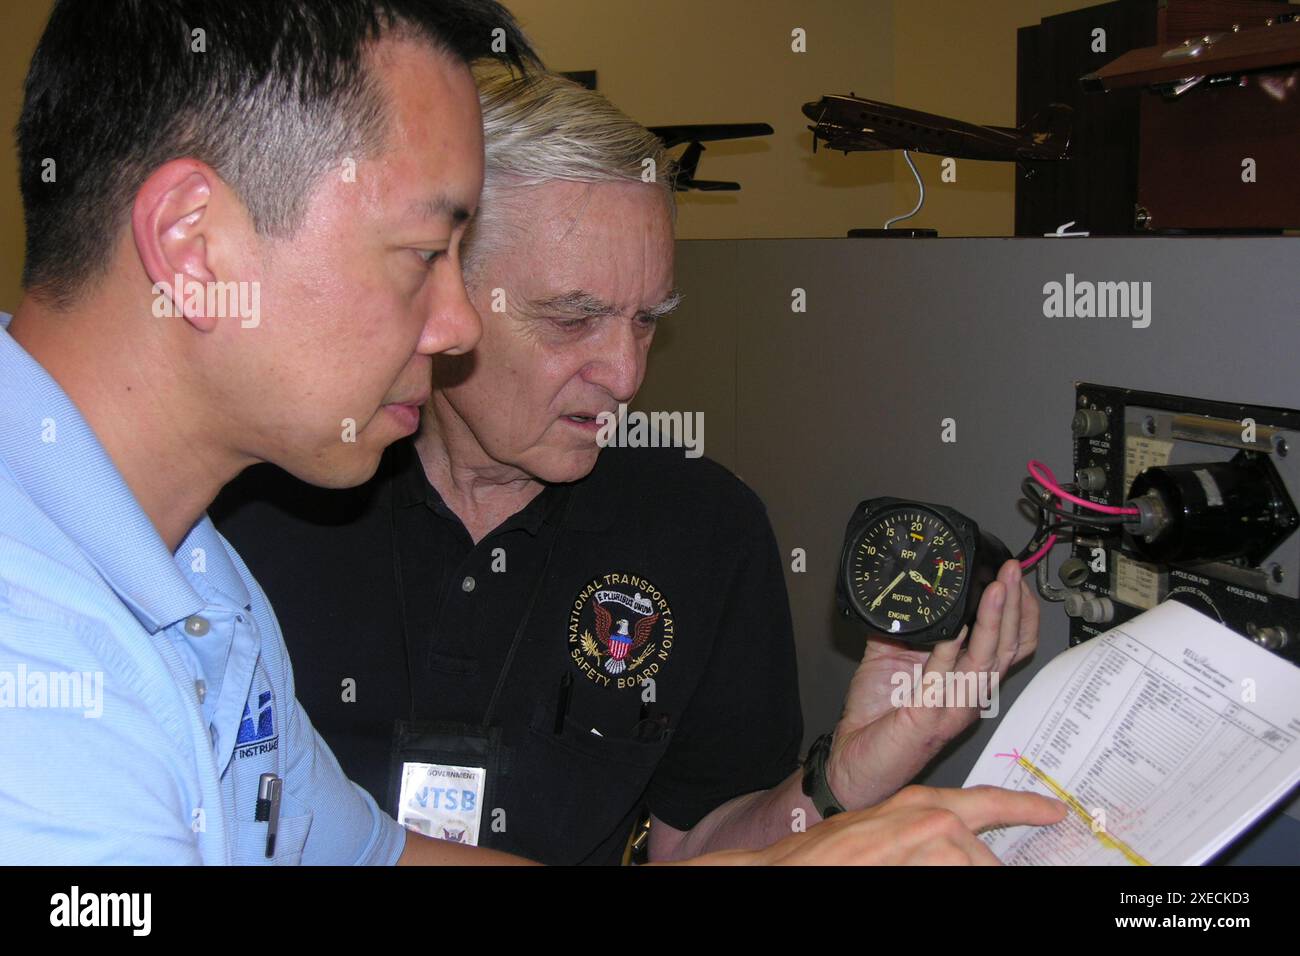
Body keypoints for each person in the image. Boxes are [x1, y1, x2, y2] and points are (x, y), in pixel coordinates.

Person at [213, 67, 1065, 864]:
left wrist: (844, 780)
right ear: (442, 291)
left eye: (648, 319)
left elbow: (697, 846)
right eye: (572, 319)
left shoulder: (703, 530)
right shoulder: (251, 504)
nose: (626, 376)